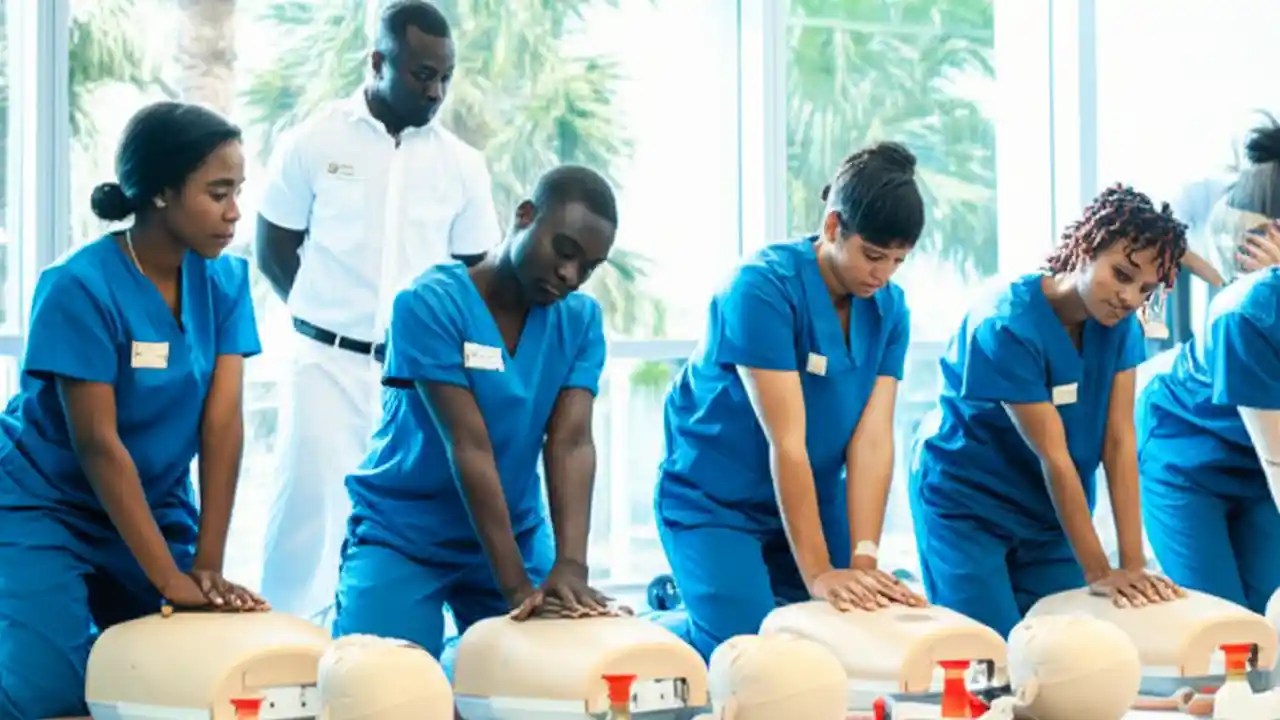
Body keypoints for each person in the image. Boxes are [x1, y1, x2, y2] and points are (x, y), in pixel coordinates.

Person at [0, 101, 267, 718]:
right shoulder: (78, 285)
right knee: (48, 693)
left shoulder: (225, 282)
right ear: (161, 195)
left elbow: (222, 427)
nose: (234, 213)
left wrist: (206, 566)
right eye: (218, 192)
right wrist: (169, 581)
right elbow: (98, 445)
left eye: (238, 192)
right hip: (45, 503)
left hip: (155, 504)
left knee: (192, 670)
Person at [255, 0, 501, 622]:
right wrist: (322, 317)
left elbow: (476, 276)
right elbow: (273, 246)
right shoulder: (312, 140)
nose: (437, 90)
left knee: (404, 516)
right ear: (378, 62)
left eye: (446, 76)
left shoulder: (463, 165)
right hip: (324, 363)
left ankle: (374, 642)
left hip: (416, 379)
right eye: (422, 74)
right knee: (306, 511)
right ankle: (282, 641)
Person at [652, 142, 929, 662]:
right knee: (751, 654)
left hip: (810, 500)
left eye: (897, 261)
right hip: (715, 500)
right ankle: (667, 618)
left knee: (844, 640)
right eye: (872, 255)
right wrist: (821, 573)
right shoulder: (761, 287)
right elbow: (788, 441)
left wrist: (863, 559)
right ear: (832, 228)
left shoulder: (889, 310)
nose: (882, 274)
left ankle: (709, 601)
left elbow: (871, 440)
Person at [331, 165, 619, 661]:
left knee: (558, 676)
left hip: (518, 529)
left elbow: (571, 443)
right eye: (564, 251)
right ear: (525, 217)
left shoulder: (580, 321)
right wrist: (514, 590)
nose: (570, 275)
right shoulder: (429, 304)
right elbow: (468, 445)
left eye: (588, 267)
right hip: (406, 534)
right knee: (377, 683)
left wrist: (571, 565)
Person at [908, 184, 1188, 640]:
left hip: (1047, 513)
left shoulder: (1117, 328)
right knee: (990, 653)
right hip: (966, 503)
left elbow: (1118, 444)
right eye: (1121, 274)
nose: (1130, 297)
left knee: (1063, 651)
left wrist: (1132, 565)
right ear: (1085, 248)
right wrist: (1099, 571)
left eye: (1145, 289)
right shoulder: (1007, 324)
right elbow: (1053, 455)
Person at [1136, 121, 1280, 614]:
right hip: (1187, 455)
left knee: (1267, 620)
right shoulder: (1250, 310)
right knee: (1223, 627)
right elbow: (1278, 460)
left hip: (1256, 464)